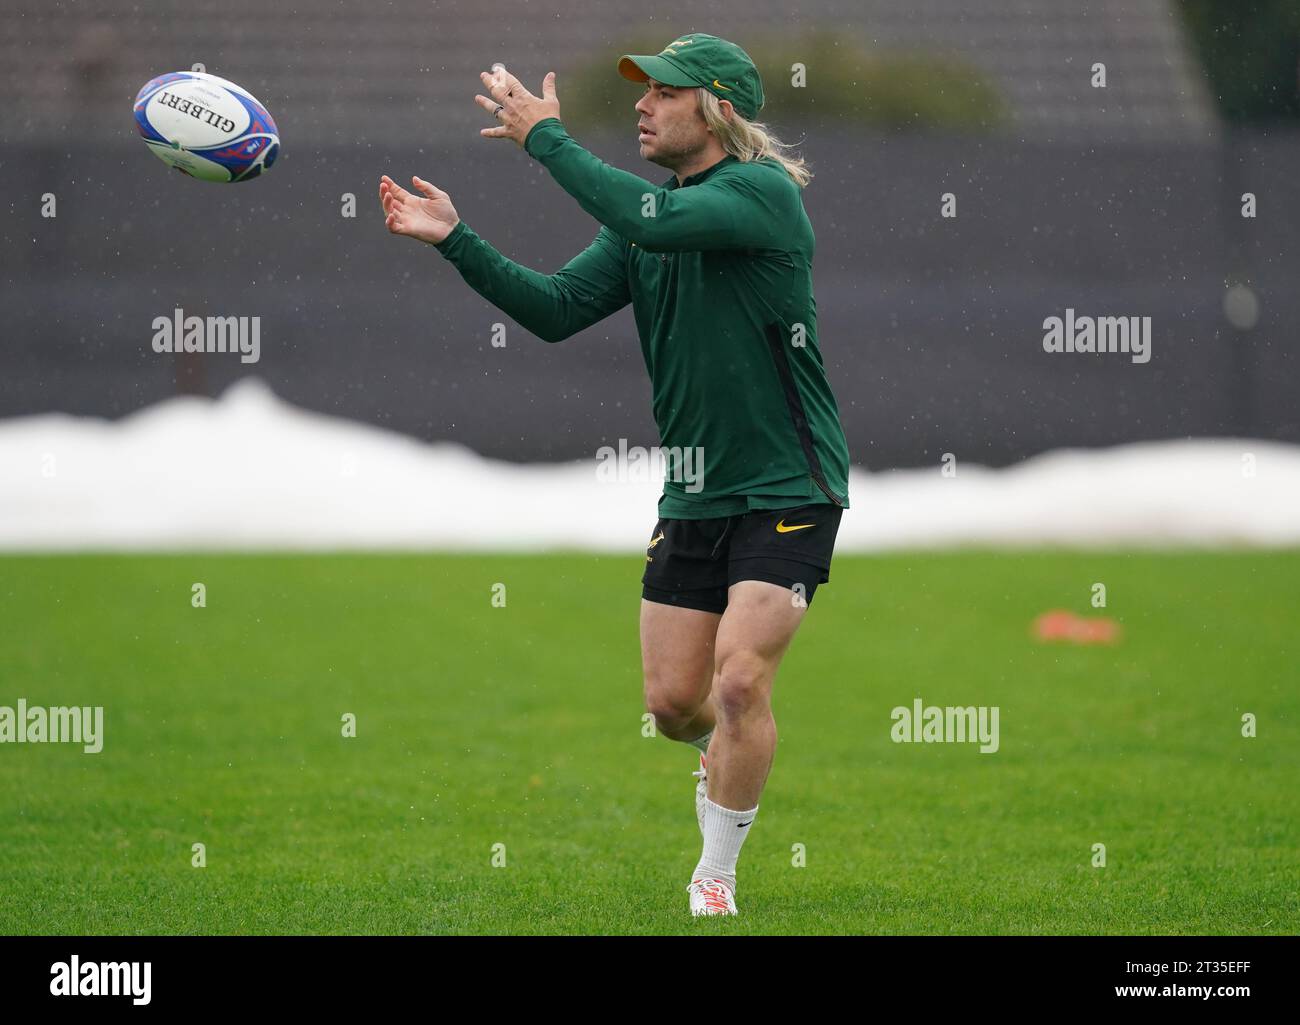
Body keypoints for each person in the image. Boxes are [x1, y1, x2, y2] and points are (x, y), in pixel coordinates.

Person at [379, 32, 850, 917]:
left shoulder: (760, 195)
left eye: (664, 92)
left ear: (715, 108)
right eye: (642, 91)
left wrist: (544, 137)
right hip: (694, 491)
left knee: (742, 680)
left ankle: (716, 875)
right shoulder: (648, 222)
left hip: (791, 484)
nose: (642, 104)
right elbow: (556, 311)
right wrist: (455, 240)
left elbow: (645, 218)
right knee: (677, 704)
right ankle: (727, 751)